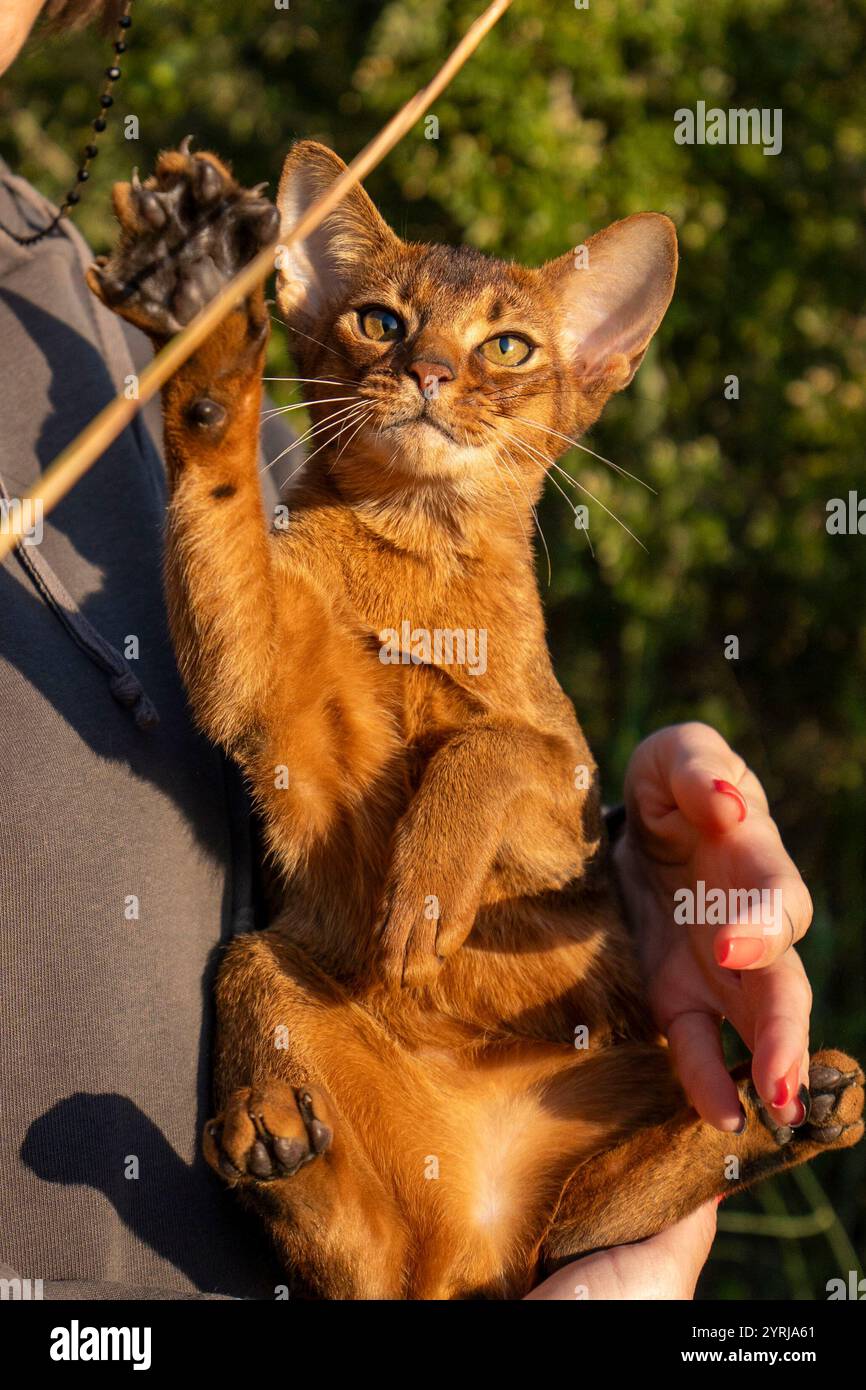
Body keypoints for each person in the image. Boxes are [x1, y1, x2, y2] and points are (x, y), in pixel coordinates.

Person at [0, 0, 814, 1301]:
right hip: (377, 1121)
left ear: (591, 372)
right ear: (312, 316)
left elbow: (547, 804)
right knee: (265, 975)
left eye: (503, 350)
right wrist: (210, 416)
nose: (435, 366)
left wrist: (617, 842)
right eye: (384, 324)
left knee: (650, 1101)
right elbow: (254, 685)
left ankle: (732, 1126)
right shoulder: (289, 514)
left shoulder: (271, 470)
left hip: (543, 1106)